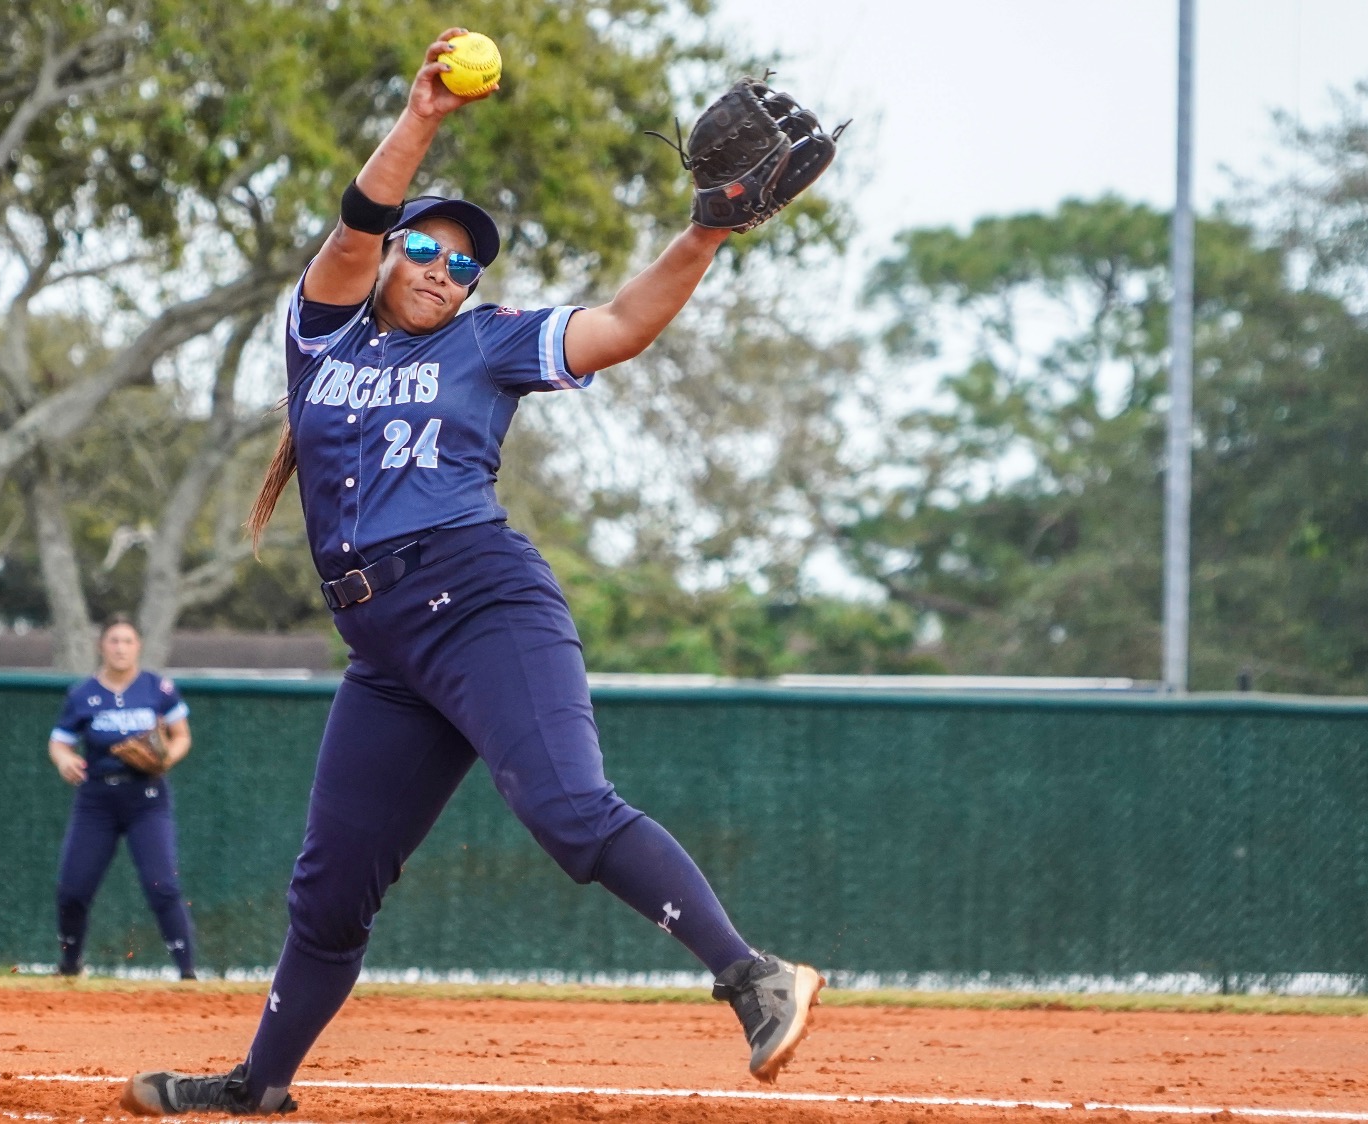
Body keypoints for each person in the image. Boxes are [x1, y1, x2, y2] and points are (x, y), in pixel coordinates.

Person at [121, 28, 822, 1117]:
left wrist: (705, 231)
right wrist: (423, 120)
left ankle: (753, 975)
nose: (445, 269)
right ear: (389, 256)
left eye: (464, 262)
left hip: (480, 599)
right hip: (385, 651)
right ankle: (257, 1085)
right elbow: (353, 227)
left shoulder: (485, 342)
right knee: (329, 890)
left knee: (567, 811)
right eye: (427, 250)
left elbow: (621, 324)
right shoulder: (322, 338)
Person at [48, 613, 198, 981]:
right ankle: (69, 967)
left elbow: (182, 735)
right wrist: (65, 759)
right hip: (97, 799)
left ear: (138, 646)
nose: (120, 647)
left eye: (127, 641)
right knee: (72, 890)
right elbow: (59, 741)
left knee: (163, 885)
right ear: (102, 646)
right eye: (113, 640)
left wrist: (165, 758)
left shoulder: (157, 688)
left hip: (146, 797)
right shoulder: (82, 694)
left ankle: (188, 974)